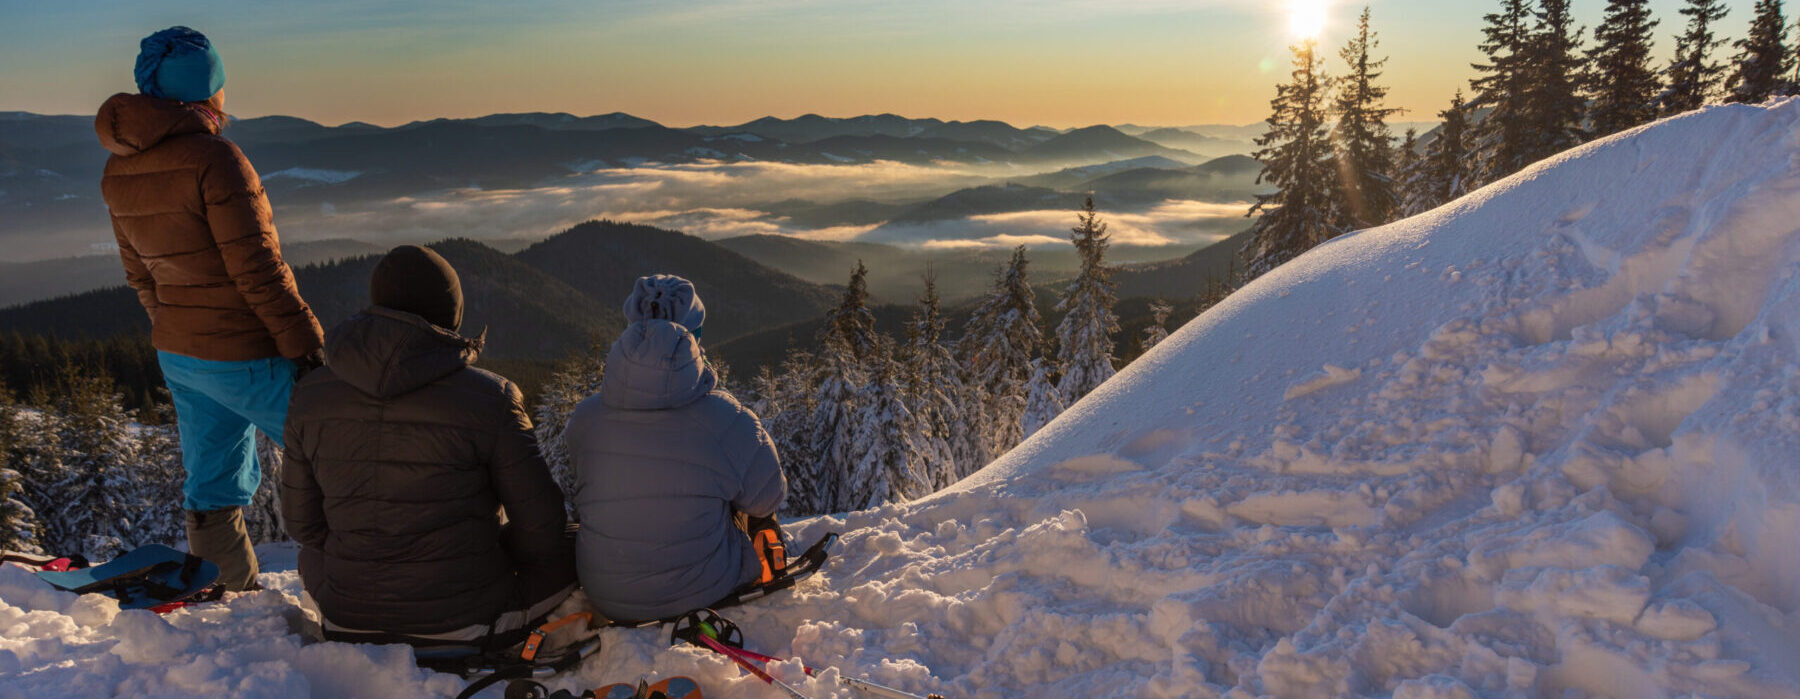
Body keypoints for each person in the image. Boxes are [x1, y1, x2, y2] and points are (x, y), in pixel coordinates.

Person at [97, 26, 324, 591]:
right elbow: (259, 270)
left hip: (181, 354)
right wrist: (307, 345)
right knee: (343, 456)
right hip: (248, 353)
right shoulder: (216, 159)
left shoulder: (118, 169)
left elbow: (139, 276)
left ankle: (226, 594)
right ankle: (373, 590)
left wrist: (177, 326)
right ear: (209, 90)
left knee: (212, 484)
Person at [280, 245, 575, 644]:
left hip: (347, 617)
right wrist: (497, 554)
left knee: (310, 558)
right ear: (449, 314)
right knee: (576, 546)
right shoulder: (491, 399)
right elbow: (543, 527)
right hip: (467, 620)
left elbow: (303, 526)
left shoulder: (310, 396)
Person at [568, 275, 788, 623]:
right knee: (743, 494)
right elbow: (768, 498)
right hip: (703, 590)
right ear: (694, 339)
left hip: (606, 596)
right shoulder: (724, 417)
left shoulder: (585, 417)